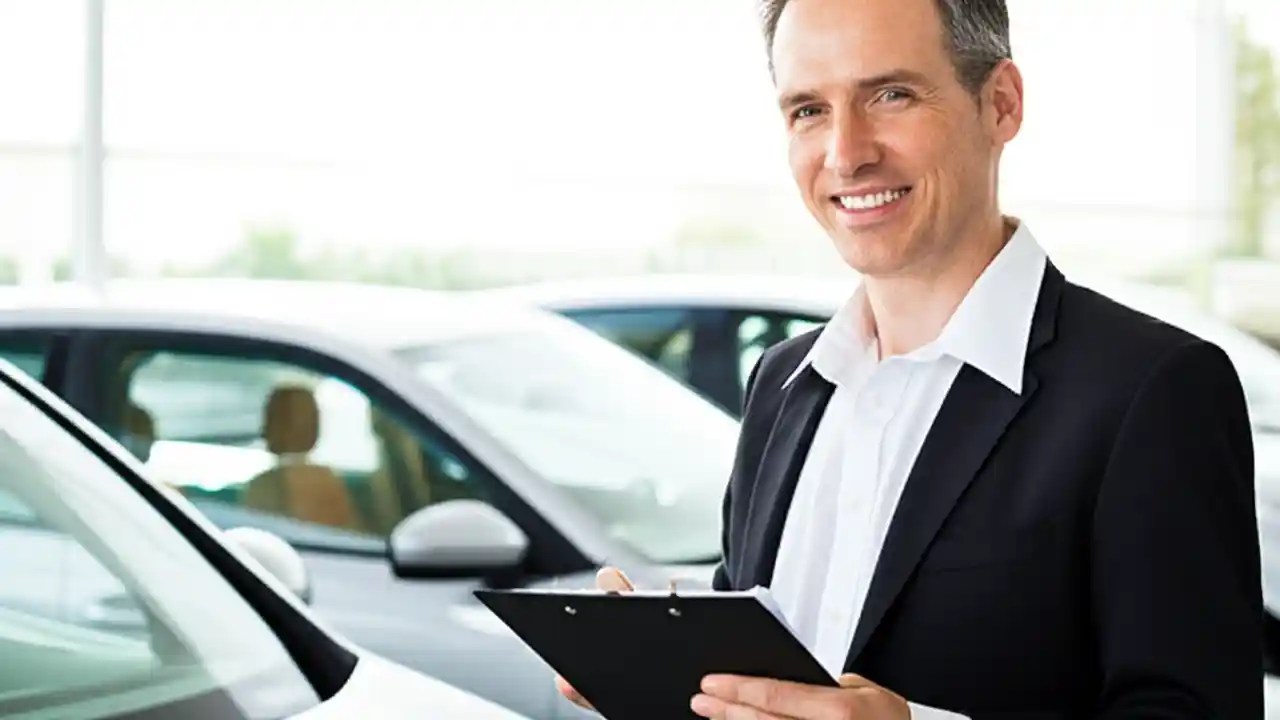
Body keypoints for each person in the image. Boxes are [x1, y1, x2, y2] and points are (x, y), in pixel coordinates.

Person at [559, 0, 1263, 716]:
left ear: (1001, 104)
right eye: (808, 110)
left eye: (890, 95)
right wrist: (667, 672)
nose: (846, 152)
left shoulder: (1152, 392)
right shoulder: (782, 384)